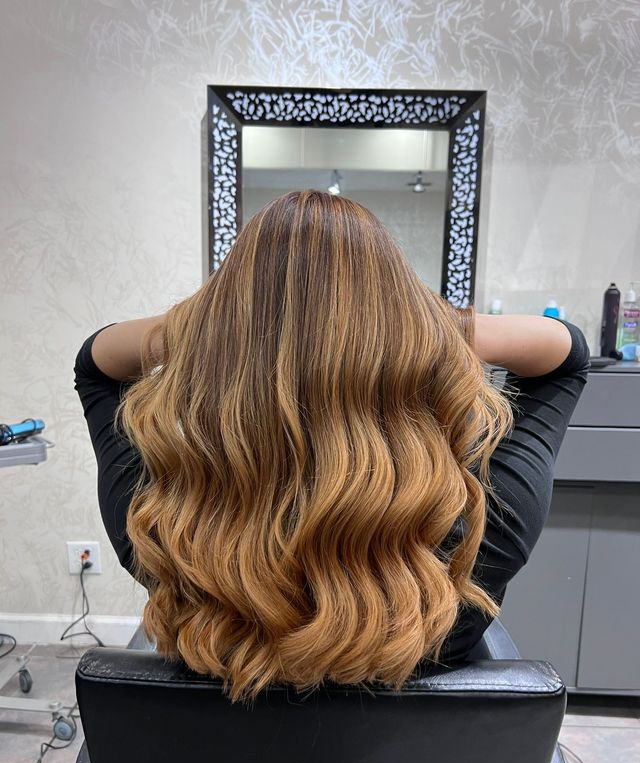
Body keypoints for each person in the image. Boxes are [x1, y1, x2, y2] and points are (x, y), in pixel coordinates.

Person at [74, 189, 590, 701]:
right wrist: (433, 324)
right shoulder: (485, 528)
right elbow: (566, 355)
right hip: (416, 758)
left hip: (211, 755)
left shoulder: (160, 529)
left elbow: (94, 365)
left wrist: (214, 328)